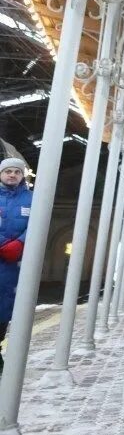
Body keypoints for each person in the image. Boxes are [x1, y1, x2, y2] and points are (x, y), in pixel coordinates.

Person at [0, 157, 31, 372]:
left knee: (5, 310)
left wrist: (21, 243)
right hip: (3, 257)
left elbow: (39, 223)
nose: (12, 175)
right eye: (8, 171)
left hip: (15, 267)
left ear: (22, 176)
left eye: (16, 172)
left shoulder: (32, 199)